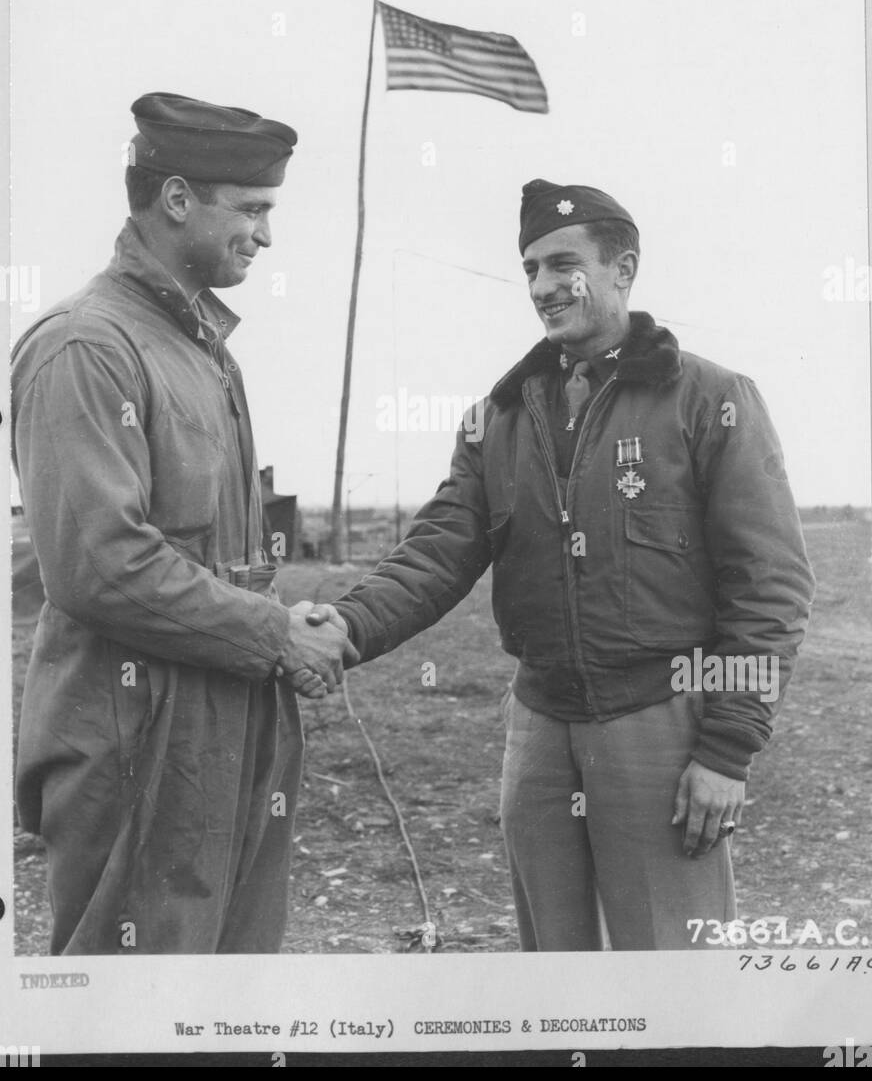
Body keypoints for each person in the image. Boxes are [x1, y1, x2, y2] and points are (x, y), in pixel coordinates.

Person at [308, 179, 815, 951]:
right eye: (530, 270)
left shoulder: (710, 398)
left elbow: (771, 586)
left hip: (660, 723)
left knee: (673, 974)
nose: (543, 287)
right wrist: (342, 625)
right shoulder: (500, 417)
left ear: (623, 269)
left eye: (561, 264)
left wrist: (727, 750)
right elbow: (438, 551)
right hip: (540, 731)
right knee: (554, 968)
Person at [12, 92, 355, 954]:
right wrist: (278, 634)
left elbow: (224, 561)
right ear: (175, 200)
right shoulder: (86, 347)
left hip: (229, 727)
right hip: (137, 737)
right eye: (250, 210)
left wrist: (281, 636)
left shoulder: (205, 352)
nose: (265, 237)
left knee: (230, 1010)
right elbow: (101, 565)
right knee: (133, 1021)